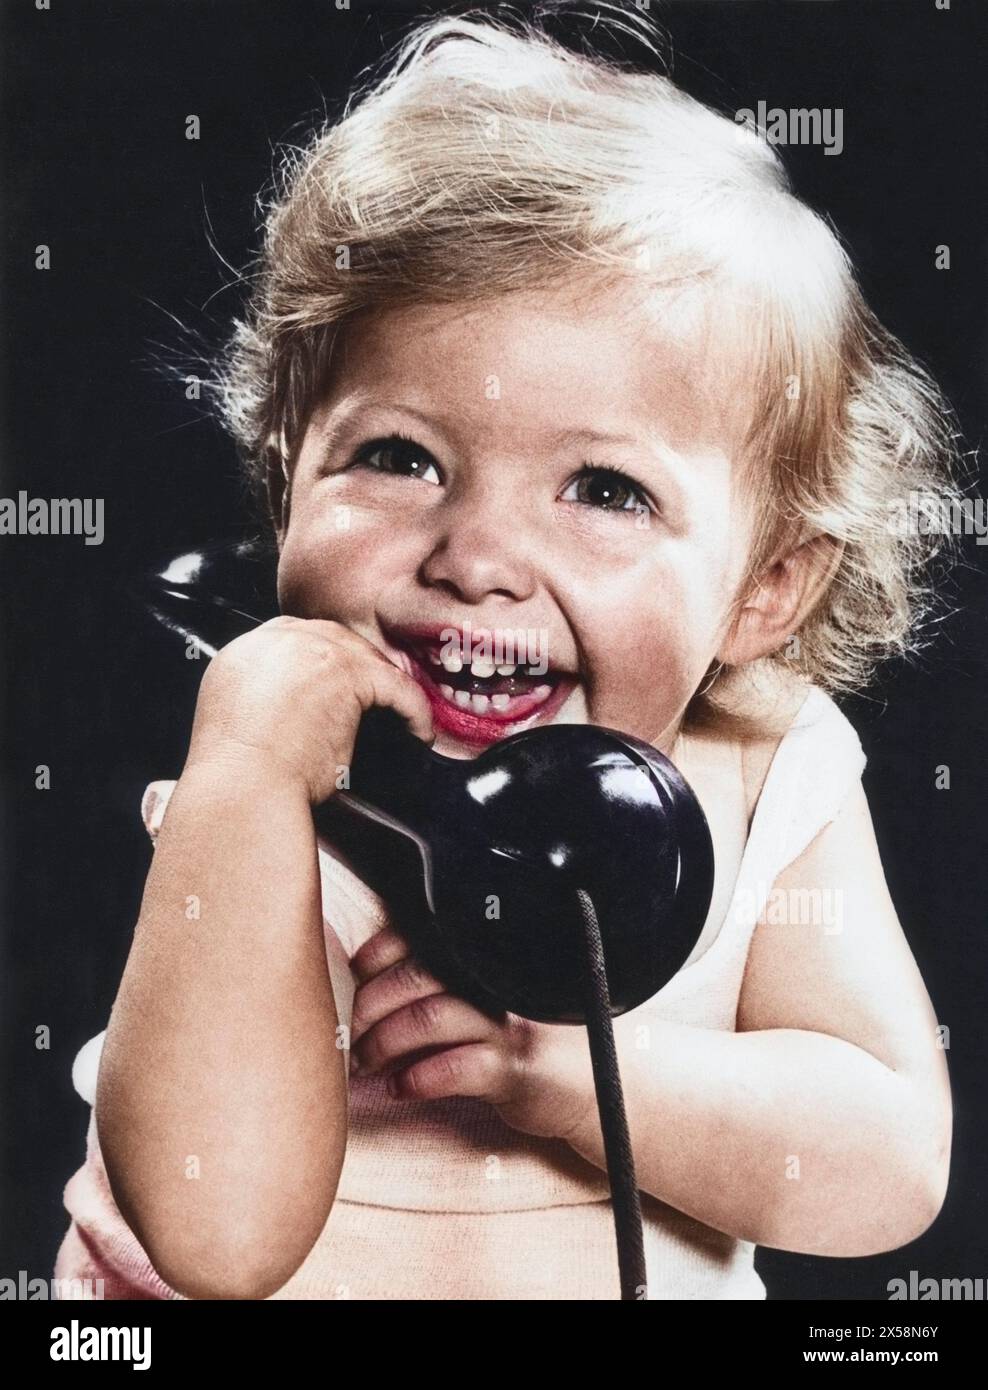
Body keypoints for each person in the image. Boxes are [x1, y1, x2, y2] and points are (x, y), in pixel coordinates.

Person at [54, 6, 957, 1300]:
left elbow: (886, 1164)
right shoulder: (288, 781)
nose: (476, 555)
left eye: (603, 488)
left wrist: (564, 1077)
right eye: (399, 456)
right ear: (284, 477)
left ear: (765, 586)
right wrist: (246, 775)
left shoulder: (769, 764)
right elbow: (215, 1230)